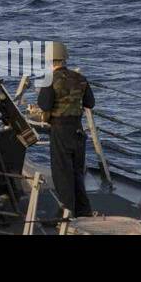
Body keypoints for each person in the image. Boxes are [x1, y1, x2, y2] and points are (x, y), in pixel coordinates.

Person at [34, 41, 95, 218]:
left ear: (49, 60)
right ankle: (84, 211)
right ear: (65, 58)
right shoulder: (80, 78)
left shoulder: (50, 79)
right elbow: (90, 103)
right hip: (77, 130)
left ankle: (66, 214)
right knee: (77, 172)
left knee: (62, 173)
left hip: (60, 131)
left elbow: (44, 104)